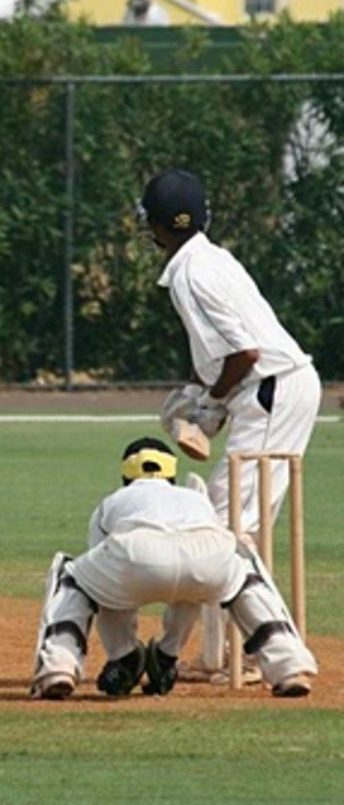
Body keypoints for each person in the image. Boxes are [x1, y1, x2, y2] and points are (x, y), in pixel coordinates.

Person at [142, 169, 322, 677]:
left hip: (270, 389)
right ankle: (220, 654)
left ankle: (273, 651)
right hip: (275, 388)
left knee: (222, 530)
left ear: (154, 226)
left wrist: (208, 405)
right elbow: (228, 352)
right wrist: (210, 395)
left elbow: (244, 353)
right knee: (229, 527)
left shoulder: (187, 274)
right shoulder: (213, 258)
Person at [30, 437, 316, 700]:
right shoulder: (195, 499)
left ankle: (60, 666)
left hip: (136, 553)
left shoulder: (113, 502)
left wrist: (122, 652)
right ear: (172, 475)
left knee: (73, 576)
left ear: (125, 476)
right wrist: (169, 652)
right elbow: (190, 585)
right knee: (244, 572)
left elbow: (107, 590)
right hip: (209, 552)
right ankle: (288, 666)